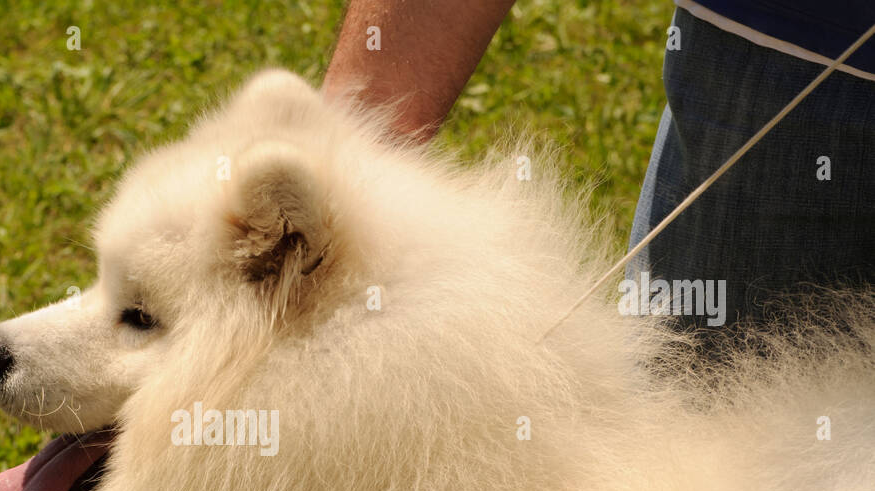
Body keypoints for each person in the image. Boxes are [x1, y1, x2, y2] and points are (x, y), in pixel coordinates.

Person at [324, 1, 875, 351]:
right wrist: (346, 163)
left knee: (705, 467)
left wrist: (345, 162)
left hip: (801, 62)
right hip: (785, 49)